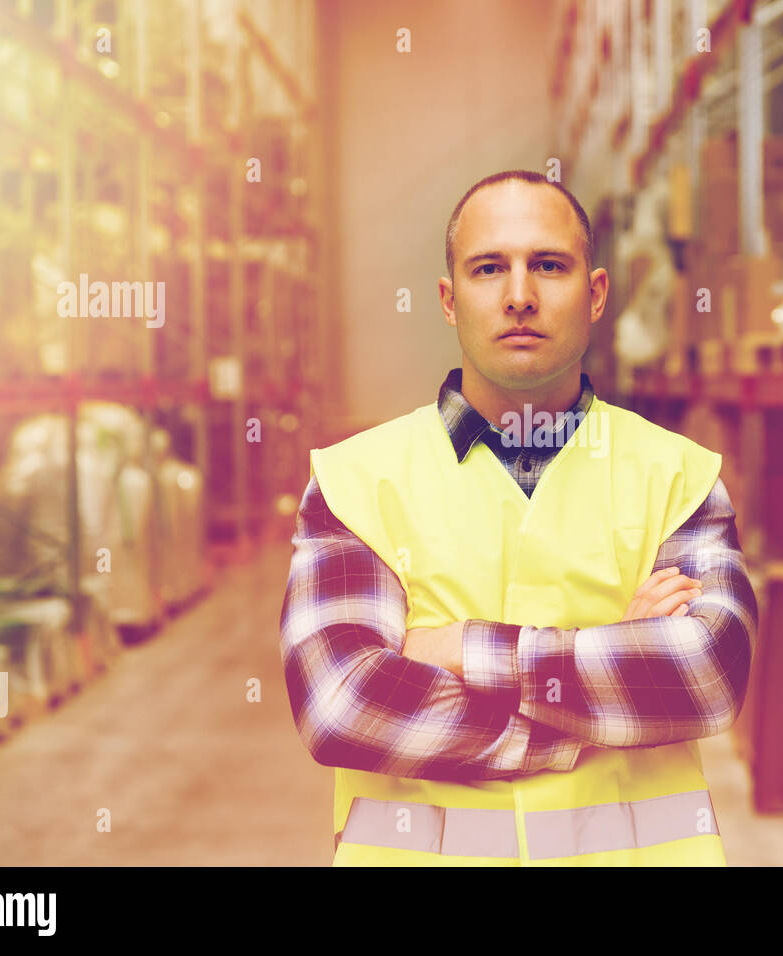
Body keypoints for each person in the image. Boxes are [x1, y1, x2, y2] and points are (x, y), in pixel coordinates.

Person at [278, 169, 757, 866]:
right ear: (449, 300)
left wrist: (462, 648)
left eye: (549, 266)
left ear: (595, 295)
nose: (520, 296)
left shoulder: (676, 476)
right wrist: (603, 665)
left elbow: (705, 677)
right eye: (488, 268)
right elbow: (346, 705)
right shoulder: (357, 483)